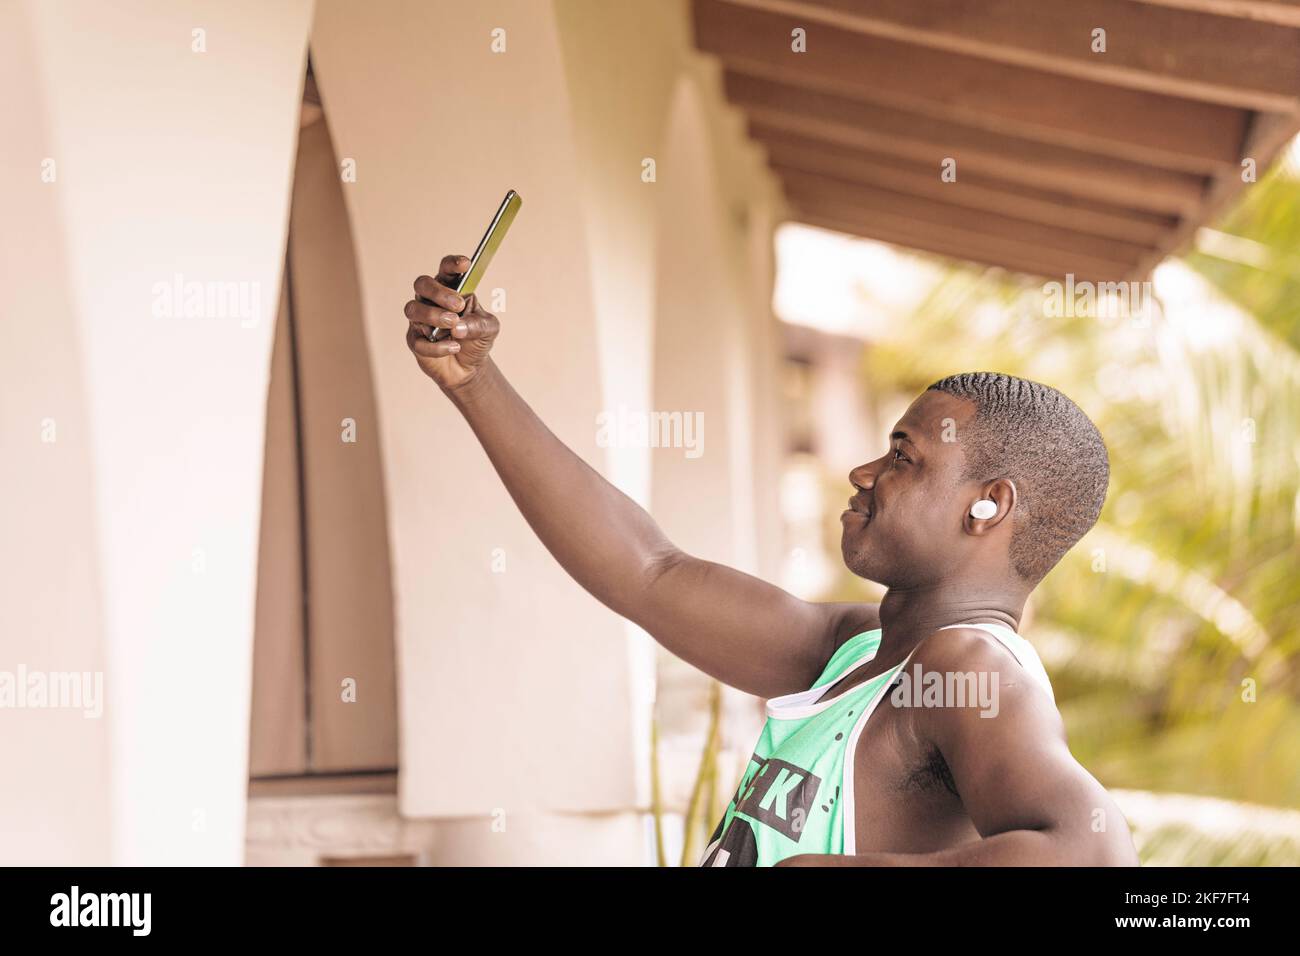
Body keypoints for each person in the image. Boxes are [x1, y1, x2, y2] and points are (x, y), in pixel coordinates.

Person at [403, 256, 1138, 867]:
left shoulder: (967, 666)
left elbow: (1091, 851)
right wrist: (474, 380)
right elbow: (647, 572)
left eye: (904, 457)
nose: (863, 472)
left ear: (988, 506)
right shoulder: (853, 650)